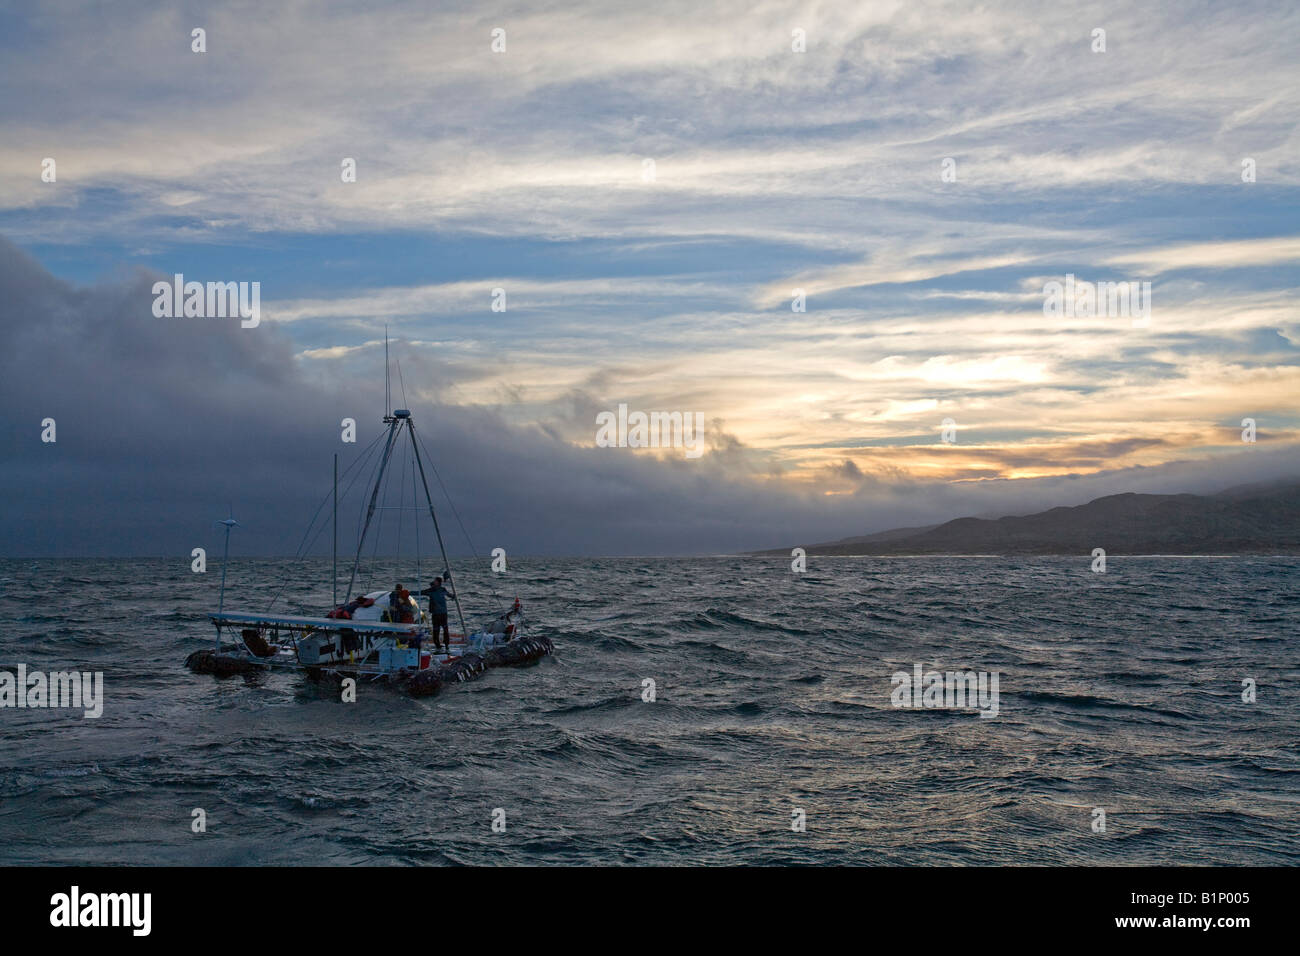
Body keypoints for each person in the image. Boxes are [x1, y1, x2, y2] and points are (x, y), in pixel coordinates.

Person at [420, 576, 456, 652]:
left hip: (443, 613)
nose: (434, 582)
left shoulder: (443, 590)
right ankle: (438, 646)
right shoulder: (431, 590)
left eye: (435, 581)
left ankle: (446, 645)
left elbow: (449, 595)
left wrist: (453, 596)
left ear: (438, 582)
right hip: (436, 613)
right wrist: (408, 593)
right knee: (436, 630)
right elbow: (421, 592)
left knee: (445, 630)